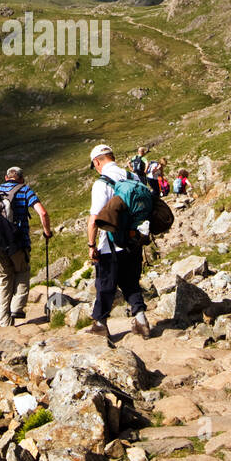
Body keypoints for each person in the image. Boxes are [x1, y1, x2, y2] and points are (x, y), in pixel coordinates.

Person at [87, 144, 151, 344]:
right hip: (134, 241)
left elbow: (95, 218)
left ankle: (100, 324)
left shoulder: (102, 183)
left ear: (97, 161)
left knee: (105, 284)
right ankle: (141, 321)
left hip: (111, 244)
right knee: (131, 282)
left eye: (94, 165)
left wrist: (91, 245)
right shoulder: (134, 177)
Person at [0, 167, 51, 327]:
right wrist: (47, 232)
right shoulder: (25, 190)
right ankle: (16, 308)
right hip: (18, 243)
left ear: (6, 177)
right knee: (22, 272)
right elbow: (42, 213)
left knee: (2, 281)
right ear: (21, 179)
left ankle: (4, 323)